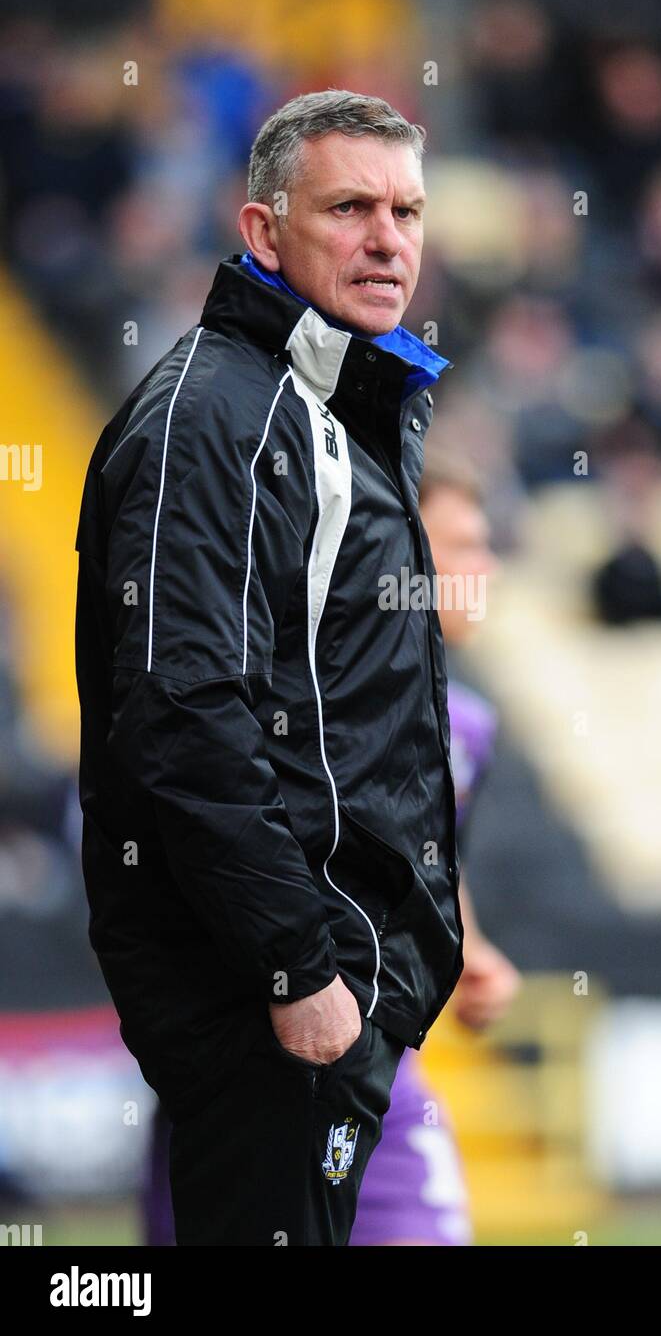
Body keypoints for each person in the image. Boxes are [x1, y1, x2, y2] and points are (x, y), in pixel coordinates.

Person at [74, 89, 465, 1246]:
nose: (387, 238)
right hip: (270, 988)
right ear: (262, 231)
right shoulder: (215, 418)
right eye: (348, 207)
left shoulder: (331, 406)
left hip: (327, 976)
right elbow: (183, 709)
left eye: (406, 210)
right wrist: (300, 967)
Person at [140, 448, 522, 1246]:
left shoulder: (468, 726)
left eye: (483, 545)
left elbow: (420, 866)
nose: (479, 568)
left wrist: (472, 948)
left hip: (369, 1070)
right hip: (244, 1059)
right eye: (454, 546)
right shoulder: (291, 699)